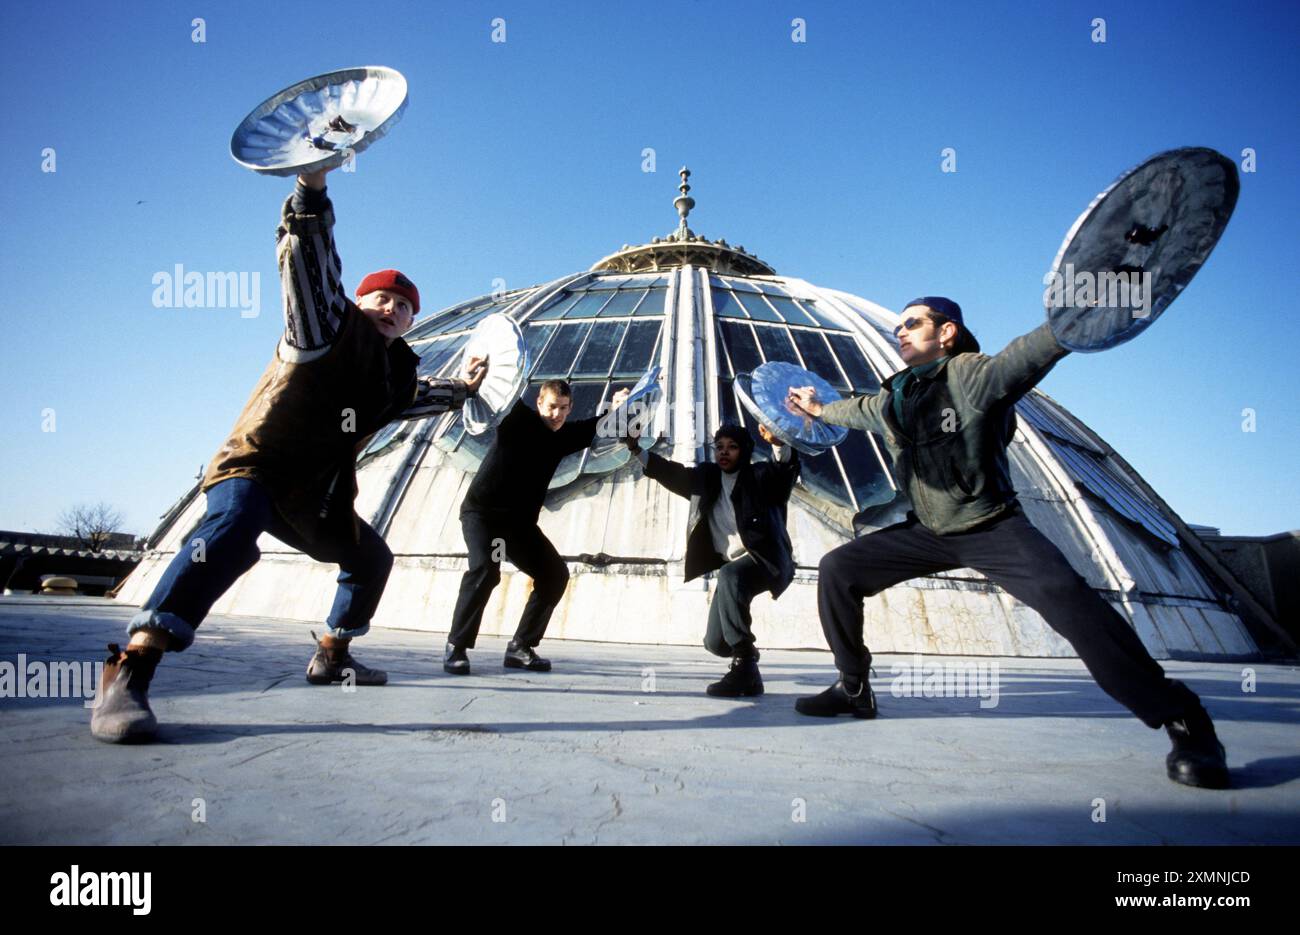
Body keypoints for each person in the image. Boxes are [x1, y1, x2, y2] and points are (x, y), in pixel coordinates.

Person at [91, 164, 486, 743]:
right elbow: (307, 266)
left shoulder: (391, 374)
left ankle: (332, 654)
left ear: (410, 322)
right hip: (254, 465)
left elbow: (414, 399)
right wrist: (311, 192)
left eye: (402, 306)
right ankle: (133, 667)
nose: (389, 308)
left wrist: (468, 389)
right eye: (379, 297)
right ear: (360, 300)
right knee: (235, 524)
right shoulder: (325, 325)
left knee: (370, 559)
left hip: (310, 493)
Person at [787, 297, 1231, 789]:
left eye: (913, 324)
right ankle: (853, 689)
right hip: (929, 532)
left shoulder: (973, 376)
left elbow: (1031, 353)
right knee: (838, 569)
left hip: (990, 527)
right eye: (898, 327)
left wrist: (1087, 308)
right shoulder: (898, 397)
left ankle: (1182, 717)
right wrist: (818, 408)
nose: (901, 332)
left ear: (947, 332)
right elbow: (860, 410)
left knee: (1069, 599)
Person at [444, 379, 629, 674]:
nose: (556, 414)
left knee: (554, 574)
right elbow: (499, 396)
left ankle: (520, 647)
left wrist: (620, 409)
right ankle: (457, 646)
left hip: (518, 525)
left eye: (563, 408)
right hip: (484, 515)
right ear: (540, 403)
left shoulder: (563, 436)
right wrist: (477, 376)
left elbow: (598, 425)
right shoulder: (517, 422)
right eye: (552, 406)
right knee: (485, 570)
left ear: (569, 409)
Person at [626, 422, 799, 696]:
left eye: (732, 447)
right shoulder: (706, 478)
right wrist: (635, 448)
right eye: (719, 447)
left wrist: (778, 443)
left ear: (745, 451)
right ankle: (745, 660)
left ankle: (745, 667)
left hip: (766, 560)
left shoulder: (760, 476)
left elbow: (783, 471)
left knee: (729, 575)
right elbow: (669, 472)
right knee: (716, 643)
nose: (724, 453)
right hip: (734, 567)